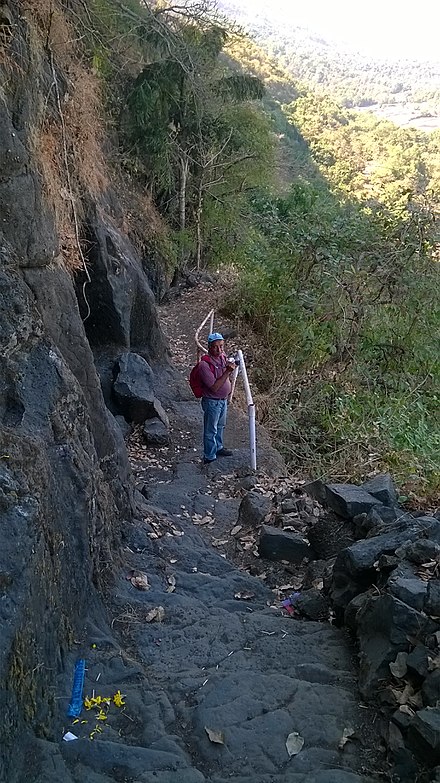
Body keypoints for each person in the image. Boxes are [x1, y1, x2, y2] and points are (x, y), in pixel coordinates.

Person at [198, 332, 235, 464]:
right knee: (210, 429)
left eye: (221, 346)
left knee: (220, 426)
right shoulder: (204, 365)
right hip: (212, 402)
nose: (219, 350)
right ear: (209, 347)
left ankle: (218, 447)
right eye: (215, 347)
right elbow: (214, 387)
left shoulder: (222, 357)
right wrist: (228, 372)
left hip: (222, 400)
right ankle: (209, 456)